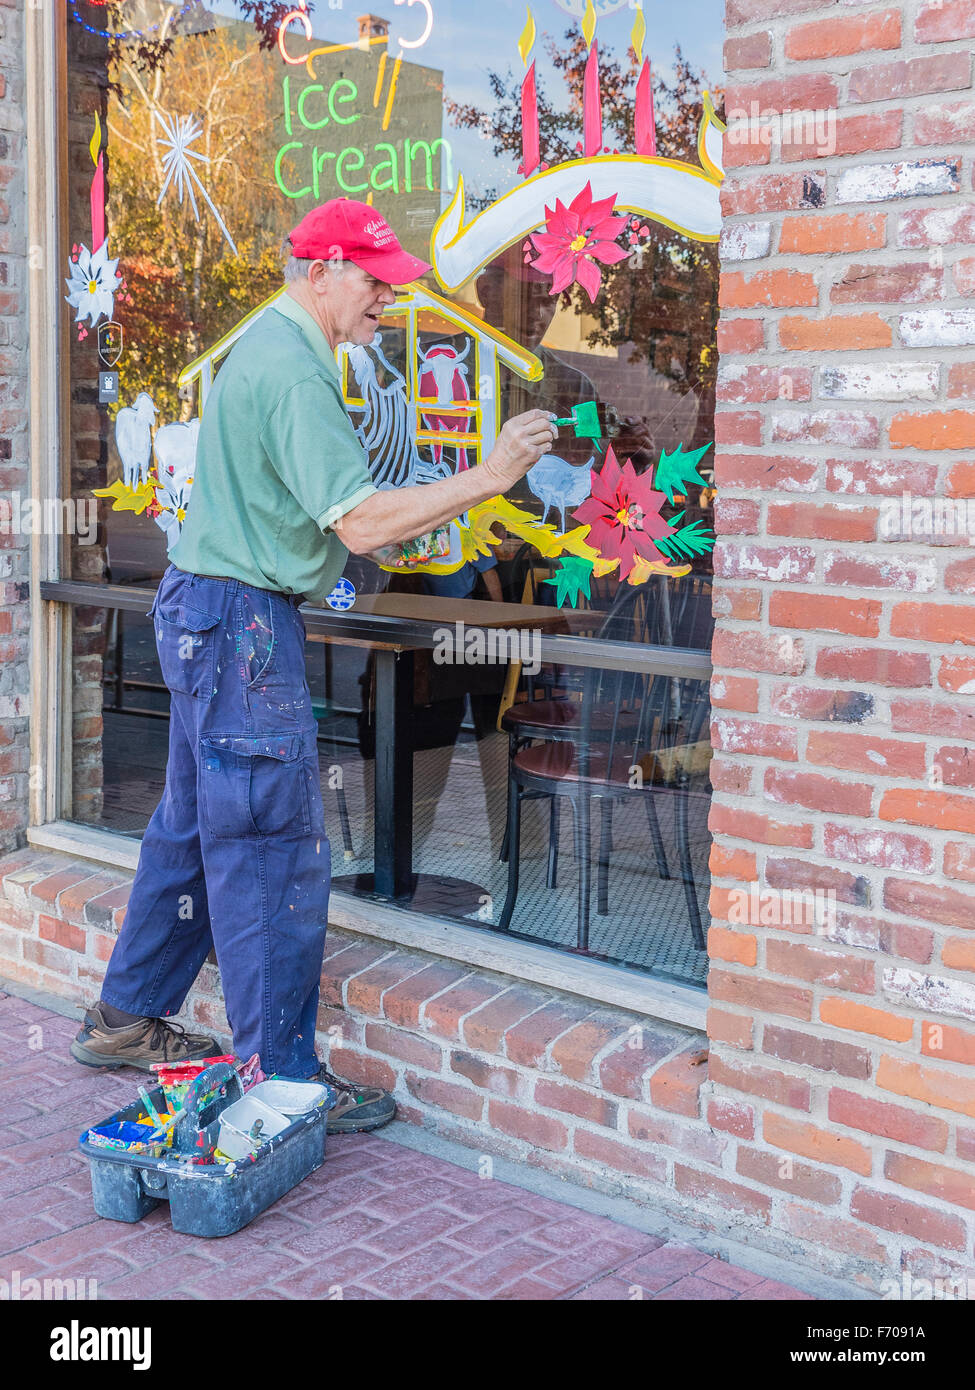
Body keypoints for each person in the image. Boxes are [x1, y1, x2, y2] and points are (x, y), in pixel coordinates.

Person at [71, 197, 558, 1133]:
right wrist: (490, 478)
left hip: (208, 612)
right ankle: (284, 1078)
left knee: (189, 826)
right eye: (377, 282)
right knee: (268, 854)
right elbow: (361, 522)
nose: (388, 298)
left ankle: (129, 1015)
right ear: (323, 271)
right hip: (242, 625)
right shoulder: (295, 373)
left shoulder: (270, 349)